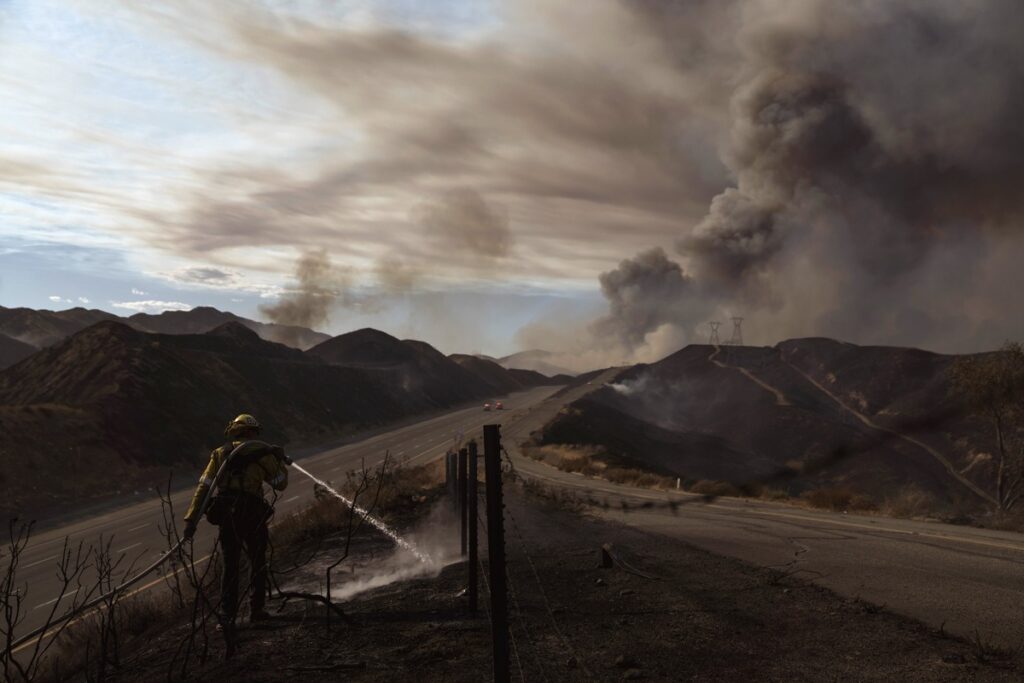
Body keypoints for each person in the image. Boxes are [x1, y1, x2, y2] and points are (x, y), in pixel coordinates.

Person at [183, 413, 290, 624]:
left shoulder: (219, 454)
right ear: (253, 432)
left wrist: (191, 520)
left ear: (234, 431)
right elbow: (280, 483)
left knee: (230, 565)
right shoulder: (263, 454)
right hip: (253, 514)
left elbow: (204, 488)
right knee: (257, 562)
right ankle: (256, 611)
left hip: (228, 515)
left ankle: (227, 615)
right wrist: (279, 460)